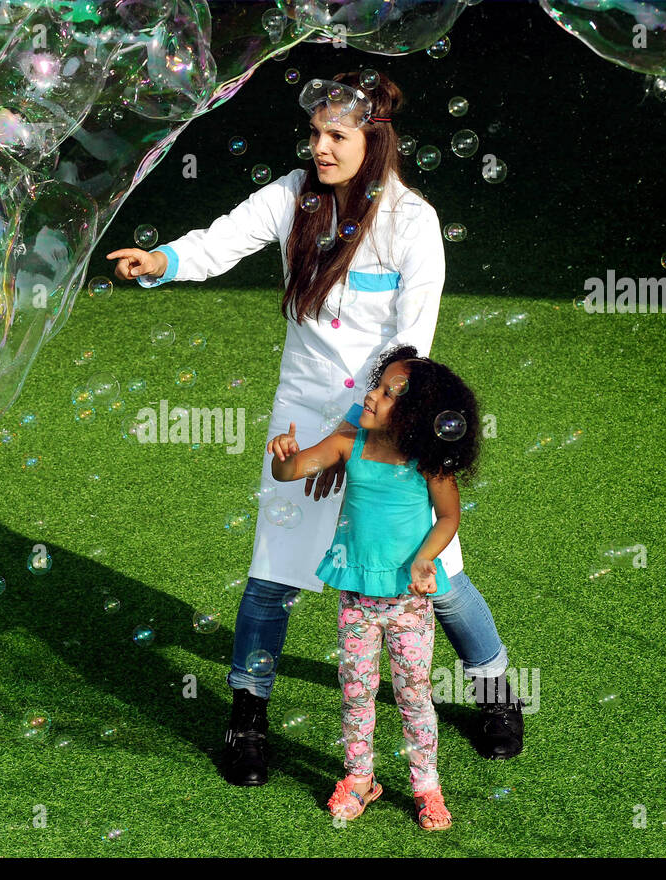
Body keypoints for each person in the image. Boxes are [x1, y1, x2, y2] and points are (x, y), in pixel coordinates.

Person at [107, 70, 525, 788]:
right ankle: (247, 714)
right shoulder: (290, 196)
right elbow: (221, 241)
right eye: (315, 133)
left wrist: (352, 436)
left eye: (338, 135)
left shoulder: (412, 222)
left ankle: (495, 689)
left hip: (385, 422)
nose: (321, 147)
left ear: (375, 139)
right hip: (302, 417)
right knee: (274, 569)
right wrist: (161, 261)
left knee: (439, 575)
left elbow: (410, 345)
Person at [268, 346, 480, 829]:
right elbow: (296, 469)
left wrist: (426, 557)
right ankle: (360, 779)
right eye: (377, 386)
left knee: (413, 694)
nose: (372, 396)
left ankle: (427, 786)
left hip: (409, 600)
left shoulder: (428, 461)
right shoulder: (350, 442)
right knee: (356, 692)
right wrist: (284, 458)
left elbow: (449, 515)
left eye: (388, 394)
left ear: (416, 415)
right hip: (356, 596)